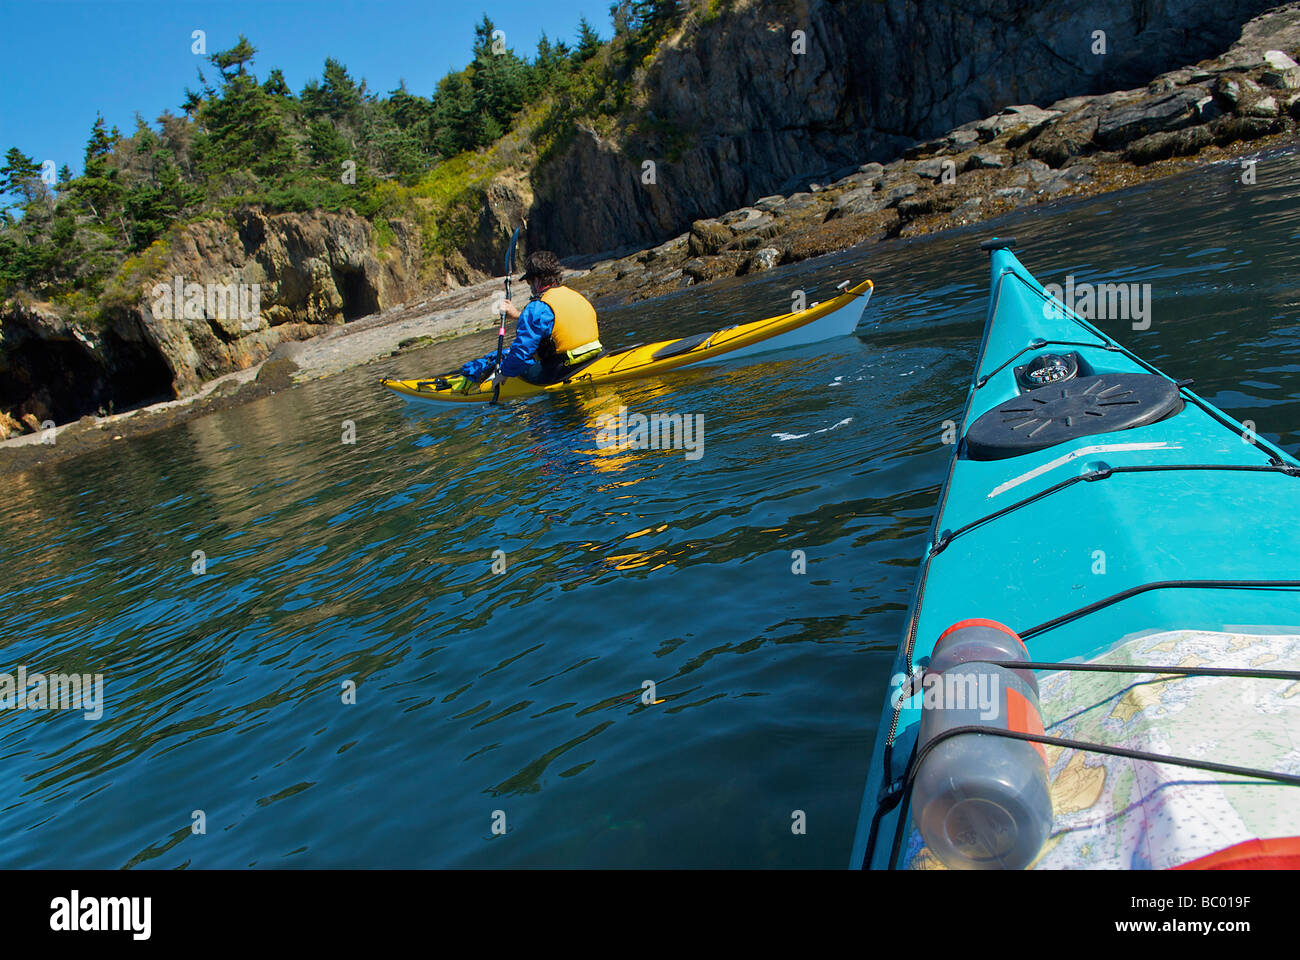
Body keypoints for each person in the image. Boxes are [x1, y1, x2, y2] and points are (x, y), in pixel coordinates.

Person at [449, 250, 602, 392]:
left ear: (536, 279)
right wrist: (516, 314)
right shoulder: (573, 295)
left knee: (504, 356)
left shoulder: (537, 307)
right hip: (593, 356)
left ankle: (470, 381)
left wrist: (504, 373)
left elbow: (522, 352)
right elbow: (555, 320)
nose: (530, 287)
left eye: (529, 282)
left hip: (561, 370)